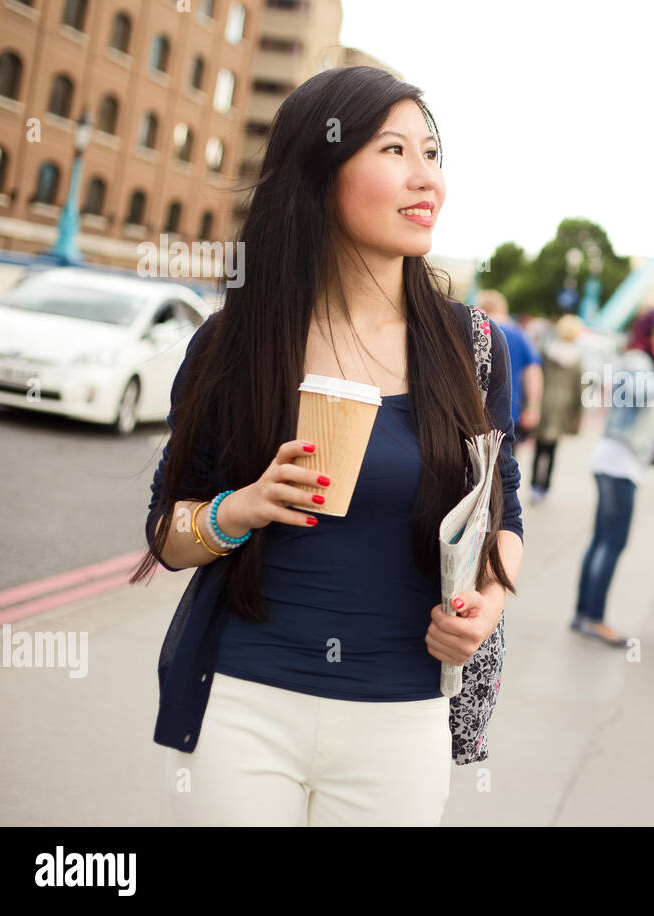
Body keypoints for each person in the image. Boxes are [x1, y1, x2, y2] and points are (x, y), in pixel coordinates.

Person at [131, 66, 524, 826]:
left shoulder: (472, 347)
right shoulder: (235, 344)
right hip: (245, 701)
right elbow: (165, 535)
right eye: (394, 151)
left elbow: (502, 516)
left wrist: (485, 608)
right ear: (321, 172)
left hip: (402, 711)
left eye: (434, 154)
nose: (426, 179)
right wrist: (236, 511)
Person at [574, 307, 654, 646]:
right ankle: (594, 619)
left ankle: (582, 615)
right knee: (612, 542)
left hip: (619, 460)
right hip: (618, 463)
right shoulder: (636, 361)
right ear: (647, 330)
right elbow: (639, 392)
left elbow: (641, 418)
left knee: (602, 540)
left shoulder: (650, 365)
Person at [530, 314, 585, 502]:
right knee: (553, 450)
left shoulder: (547, 352)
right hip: (564, 408)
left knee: (538, 449)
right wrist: (576, 418)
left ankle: (533, 484)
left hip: (544, 404)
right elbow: (580, 390)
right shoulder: (577, 360)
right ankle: (545, 487)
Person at [478, 290, 542, 445]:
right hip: (509, 411)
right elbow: (533, 373)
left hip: (477, 411)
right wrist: (533, 407)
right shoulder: (519, 334)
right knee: (506, 462)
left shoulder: (476, 331)